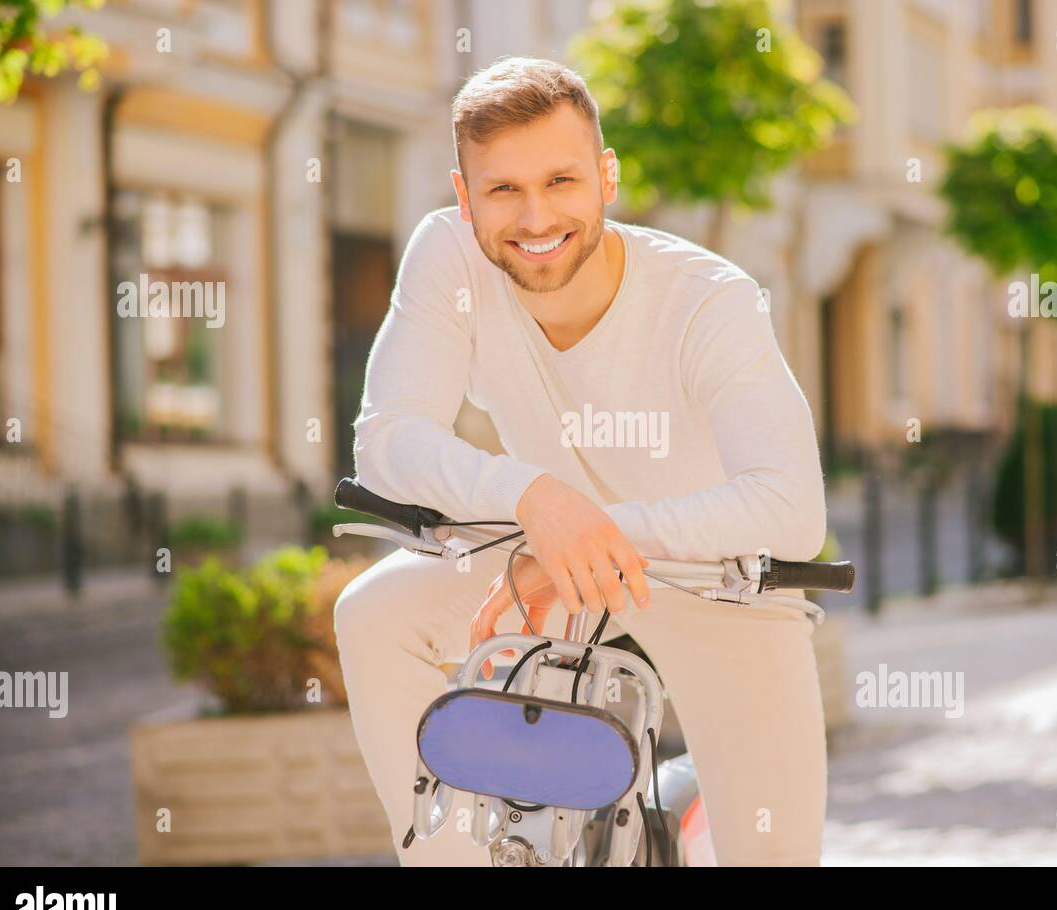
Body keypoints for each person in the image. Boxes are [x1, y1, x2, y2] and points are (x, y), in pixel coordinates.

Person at [333, 56, 829, 866]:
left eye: (561, 181)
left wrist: (579, 544)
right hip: (537, 562)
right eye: (502, 190)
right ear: (464, 199)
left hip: (719, 583)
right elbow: (386, 439)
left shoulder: (710, 299)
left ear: (607, 177)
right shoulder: (448, 256)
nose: (535, 218)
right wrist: (533, 499)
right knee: (373, 612)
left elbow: (790, 507)